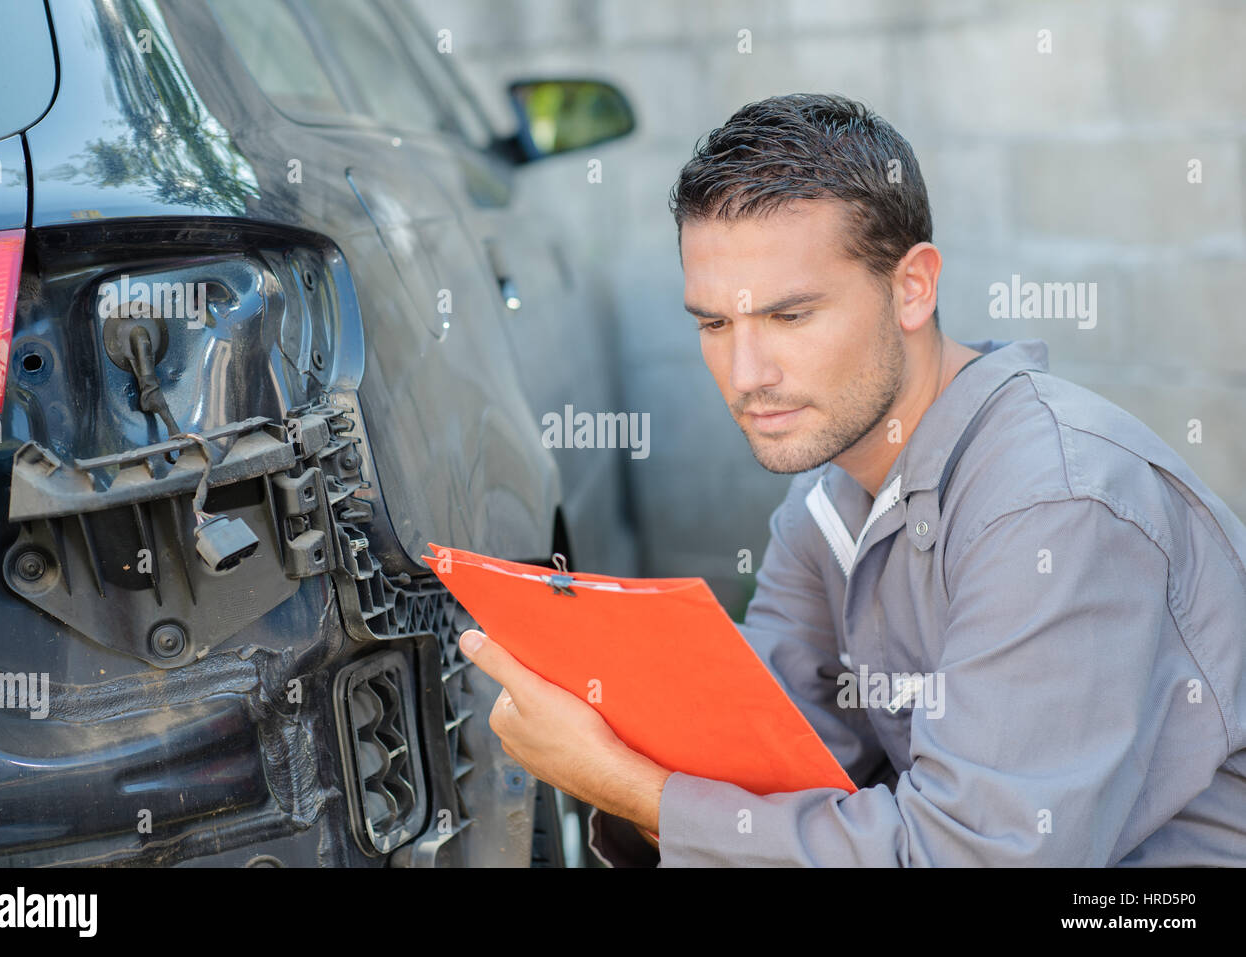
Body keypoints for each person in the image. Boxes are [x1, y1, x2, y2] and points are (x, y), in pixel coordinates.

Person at [457, 93, 1246, 866]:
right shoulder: (826, 504)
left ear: (912, 288)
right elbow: (757, 761)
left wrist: (638, 789)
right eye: (715, 324)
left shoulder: (1054, 505)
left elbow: (966, 857)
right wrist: (603, 713)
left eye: (790, 316)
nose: (746, 373)